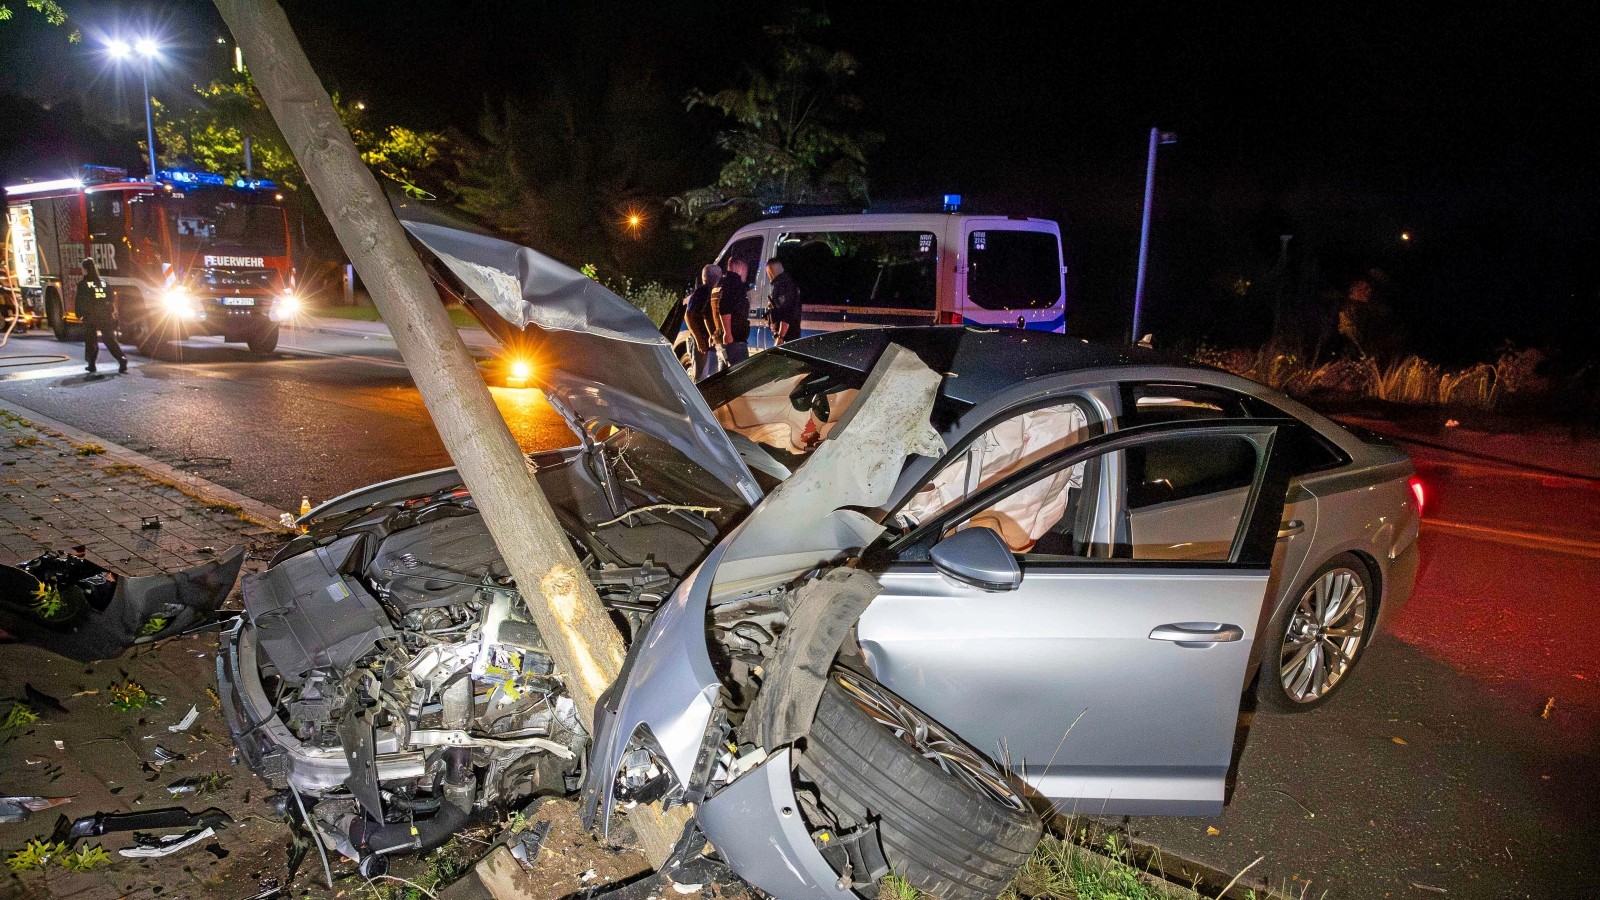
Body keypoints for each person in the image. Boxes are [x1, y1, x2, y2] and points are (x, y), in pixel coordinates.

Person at [77, 258, 127, 375]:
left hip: (91, 317)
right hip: (105, 315)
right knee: (109, 339)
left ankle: (91, 364)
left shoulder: (83, 285)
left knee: (91, 341)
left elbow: (81, 302)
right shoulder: (104, 283)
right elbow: (111, 300)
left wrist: (80, 314)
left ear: (85, 270)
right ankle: (121, 359)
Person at [710, 260, 750, 370]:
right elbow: (725, 307)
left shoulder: (719, 284)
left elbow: (712, 310)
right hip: (734, 340)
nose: (747, 273)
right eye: (746, 269)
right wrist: (728, 333)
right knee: (740, 377)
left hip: (721, 340)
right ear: (741, 268)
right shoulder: (735, 283)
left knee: (723, 378)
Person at [684, 263, 721, 379]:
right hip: (703, 344)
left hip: (708, 343)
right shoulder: (702, 292)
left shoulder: (706, 292)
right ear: (716, 277)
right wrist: (699, 339)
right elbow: (688, 315)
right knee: (701, 379)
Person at [765, 258, 802, 345]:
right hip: (789, 336)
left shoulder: (782, 286)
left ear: (769, 270)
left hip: (787, 338)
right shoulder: (787, 283)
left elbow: (787, 313)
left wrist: (780, 337)